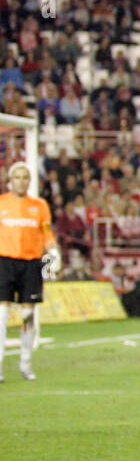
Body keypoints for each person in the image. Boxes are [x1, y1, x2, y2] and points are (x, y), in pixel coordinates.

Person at [0, 163, 59, 382]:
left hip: (31, 263)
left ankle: (25, 363)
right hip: (4, 261)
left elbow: (46, 233)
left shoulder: (39, 206)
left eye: (25, 177)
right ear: (10, 180)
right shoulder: (1, 203)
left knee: (27, 316)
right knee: (1, 315)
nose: (21, 181)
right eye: (17, 177)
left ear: (29, 181)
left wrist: (53, 251)